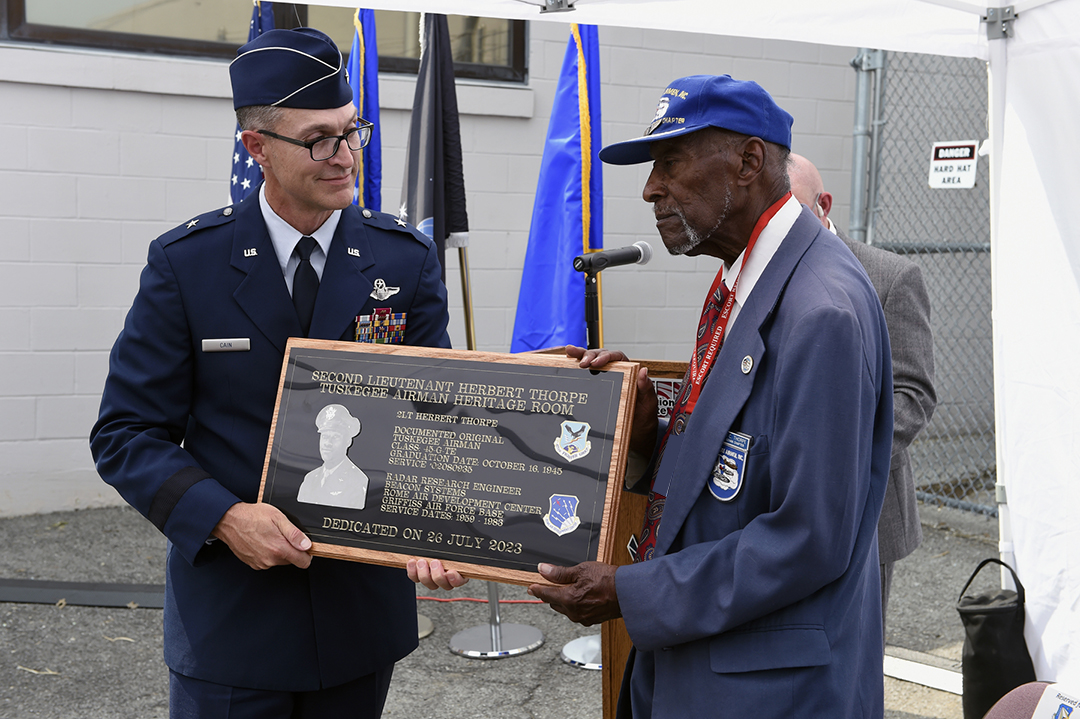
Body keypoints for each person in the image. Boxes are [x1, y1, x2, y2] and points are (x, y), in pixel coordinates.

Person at [90, 27, 451, 718]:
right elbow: (126, 433)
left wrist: (444, 525)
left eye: (353, 132)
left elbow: (430, 414)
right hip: (235, 624)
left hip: (357, 619)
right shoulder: (187, 266)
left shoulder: (402, 261)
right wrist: (222, 517)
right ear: (257, 148)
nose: (345, 157)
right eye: (319, 139)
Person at [505, 74, 889, 717]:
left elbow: (808, 537)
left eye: (671, 162)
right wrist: (646, 428)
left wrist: (633, 593)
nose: (651, 187)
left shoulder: (820, 309)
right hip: (707, 667)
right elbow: (739, 474)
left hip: (768, 692)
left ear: (747, 161)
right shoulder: (750, 278)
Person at [789, 153, 937, 636]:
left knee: (853, 663)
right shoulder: (754, 273)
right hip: (778, 517)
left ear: (822, 205)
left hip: (865, 516)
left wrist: (835, 461)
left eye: (788, 213)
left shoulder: (889, 277)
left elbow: (912, 393)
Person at [298, 404, 369, 510]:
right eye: (325, 437)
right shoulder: (310, 478)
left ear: (348, 441)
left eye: (335, 437)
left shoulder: (358, 481)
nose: (328, 443)